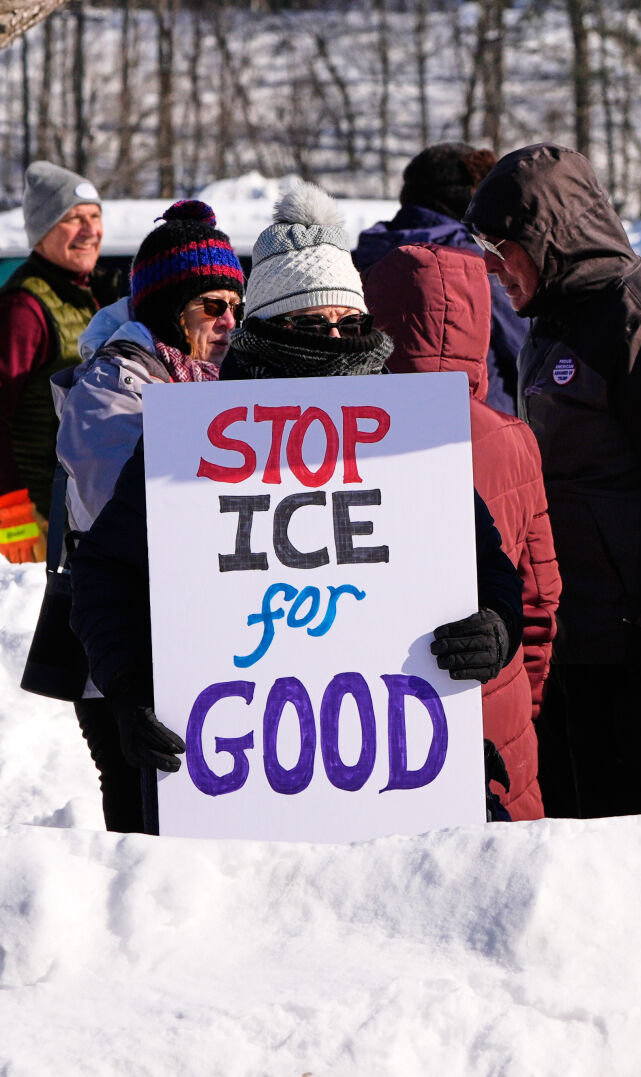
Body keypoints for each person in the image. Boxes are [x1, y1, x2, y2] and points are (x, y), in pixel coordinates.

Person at [66, 182, 525, 833]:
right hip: (231, 793)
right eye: (312, 326)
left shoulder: (411, 436)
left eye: (352, 325)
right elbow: (102, 572)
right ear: (265, 330)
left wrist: (497, 626)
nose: (336, 339)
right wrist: (130, 683)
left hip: (399, 786)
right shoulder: (195, 438)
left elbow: (490, 563)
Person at [466, 143, 641, 821]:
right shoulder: (553, 323)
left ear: (548, 235)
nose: (495, 270)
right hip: (577, 648)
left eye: (506, 249)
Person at [36, 200, 245, 831]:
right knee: (140, 821)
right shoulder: (111, 390)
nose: (229, 321)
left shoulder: (211, 382)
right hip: (123, 657)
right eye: (213, 306)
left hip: (190, 643)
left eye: (235, 305)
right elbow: (128, 521)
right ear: (166, 310)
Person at [367, 241, 561, 822]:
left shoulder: (347, 440)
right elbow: (539, 597)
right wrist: (522, 706)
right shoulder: (511, 437)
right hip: (497, 715)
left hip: (380, 717)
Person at [354, 143, 529, 417]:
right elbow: (527, 355)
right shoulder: (476, 265)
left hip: (377, 429)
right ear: (473, 197)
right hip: (477, 429)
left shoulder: (361, 258)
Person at [1, 161, 104, 558]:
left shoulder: (84, 295)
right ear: (43, 229)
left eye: (95, 216)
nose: (90, 230)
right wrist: (11, 511)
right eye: (73, 218)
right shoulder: (24, 307)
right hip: (33, 519)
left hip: (74, 513)